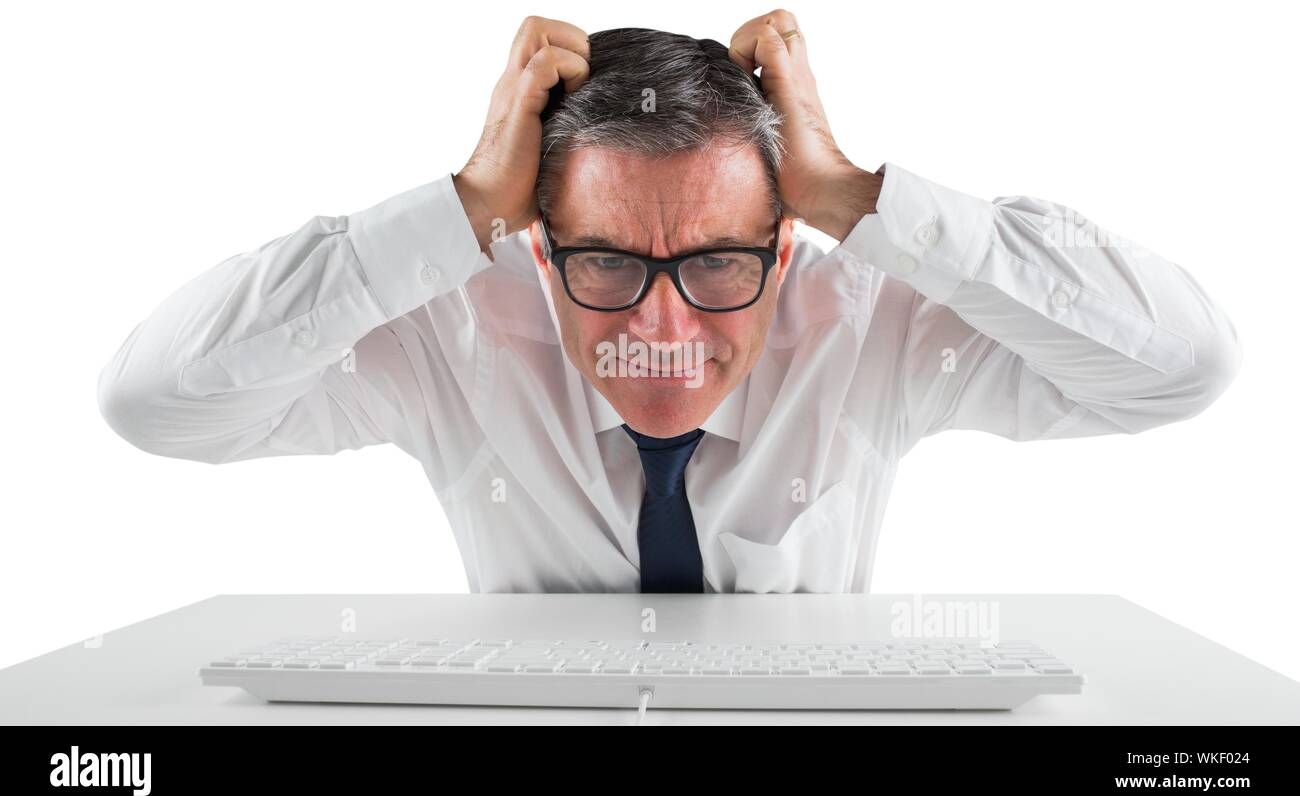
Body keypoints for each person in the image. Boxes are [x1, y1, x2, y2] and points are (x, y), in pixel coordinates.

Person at [98, 12, 1242, 594]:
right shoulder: (454, 329)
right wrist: (450, 217)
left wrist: (864, 198)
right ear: (537, 253)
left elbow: (1180, 364)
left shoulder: (869, 318)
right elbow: (156, 401)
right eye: (605, 265)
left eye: (714, 265)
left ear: (786, 249)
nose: (660, 329)